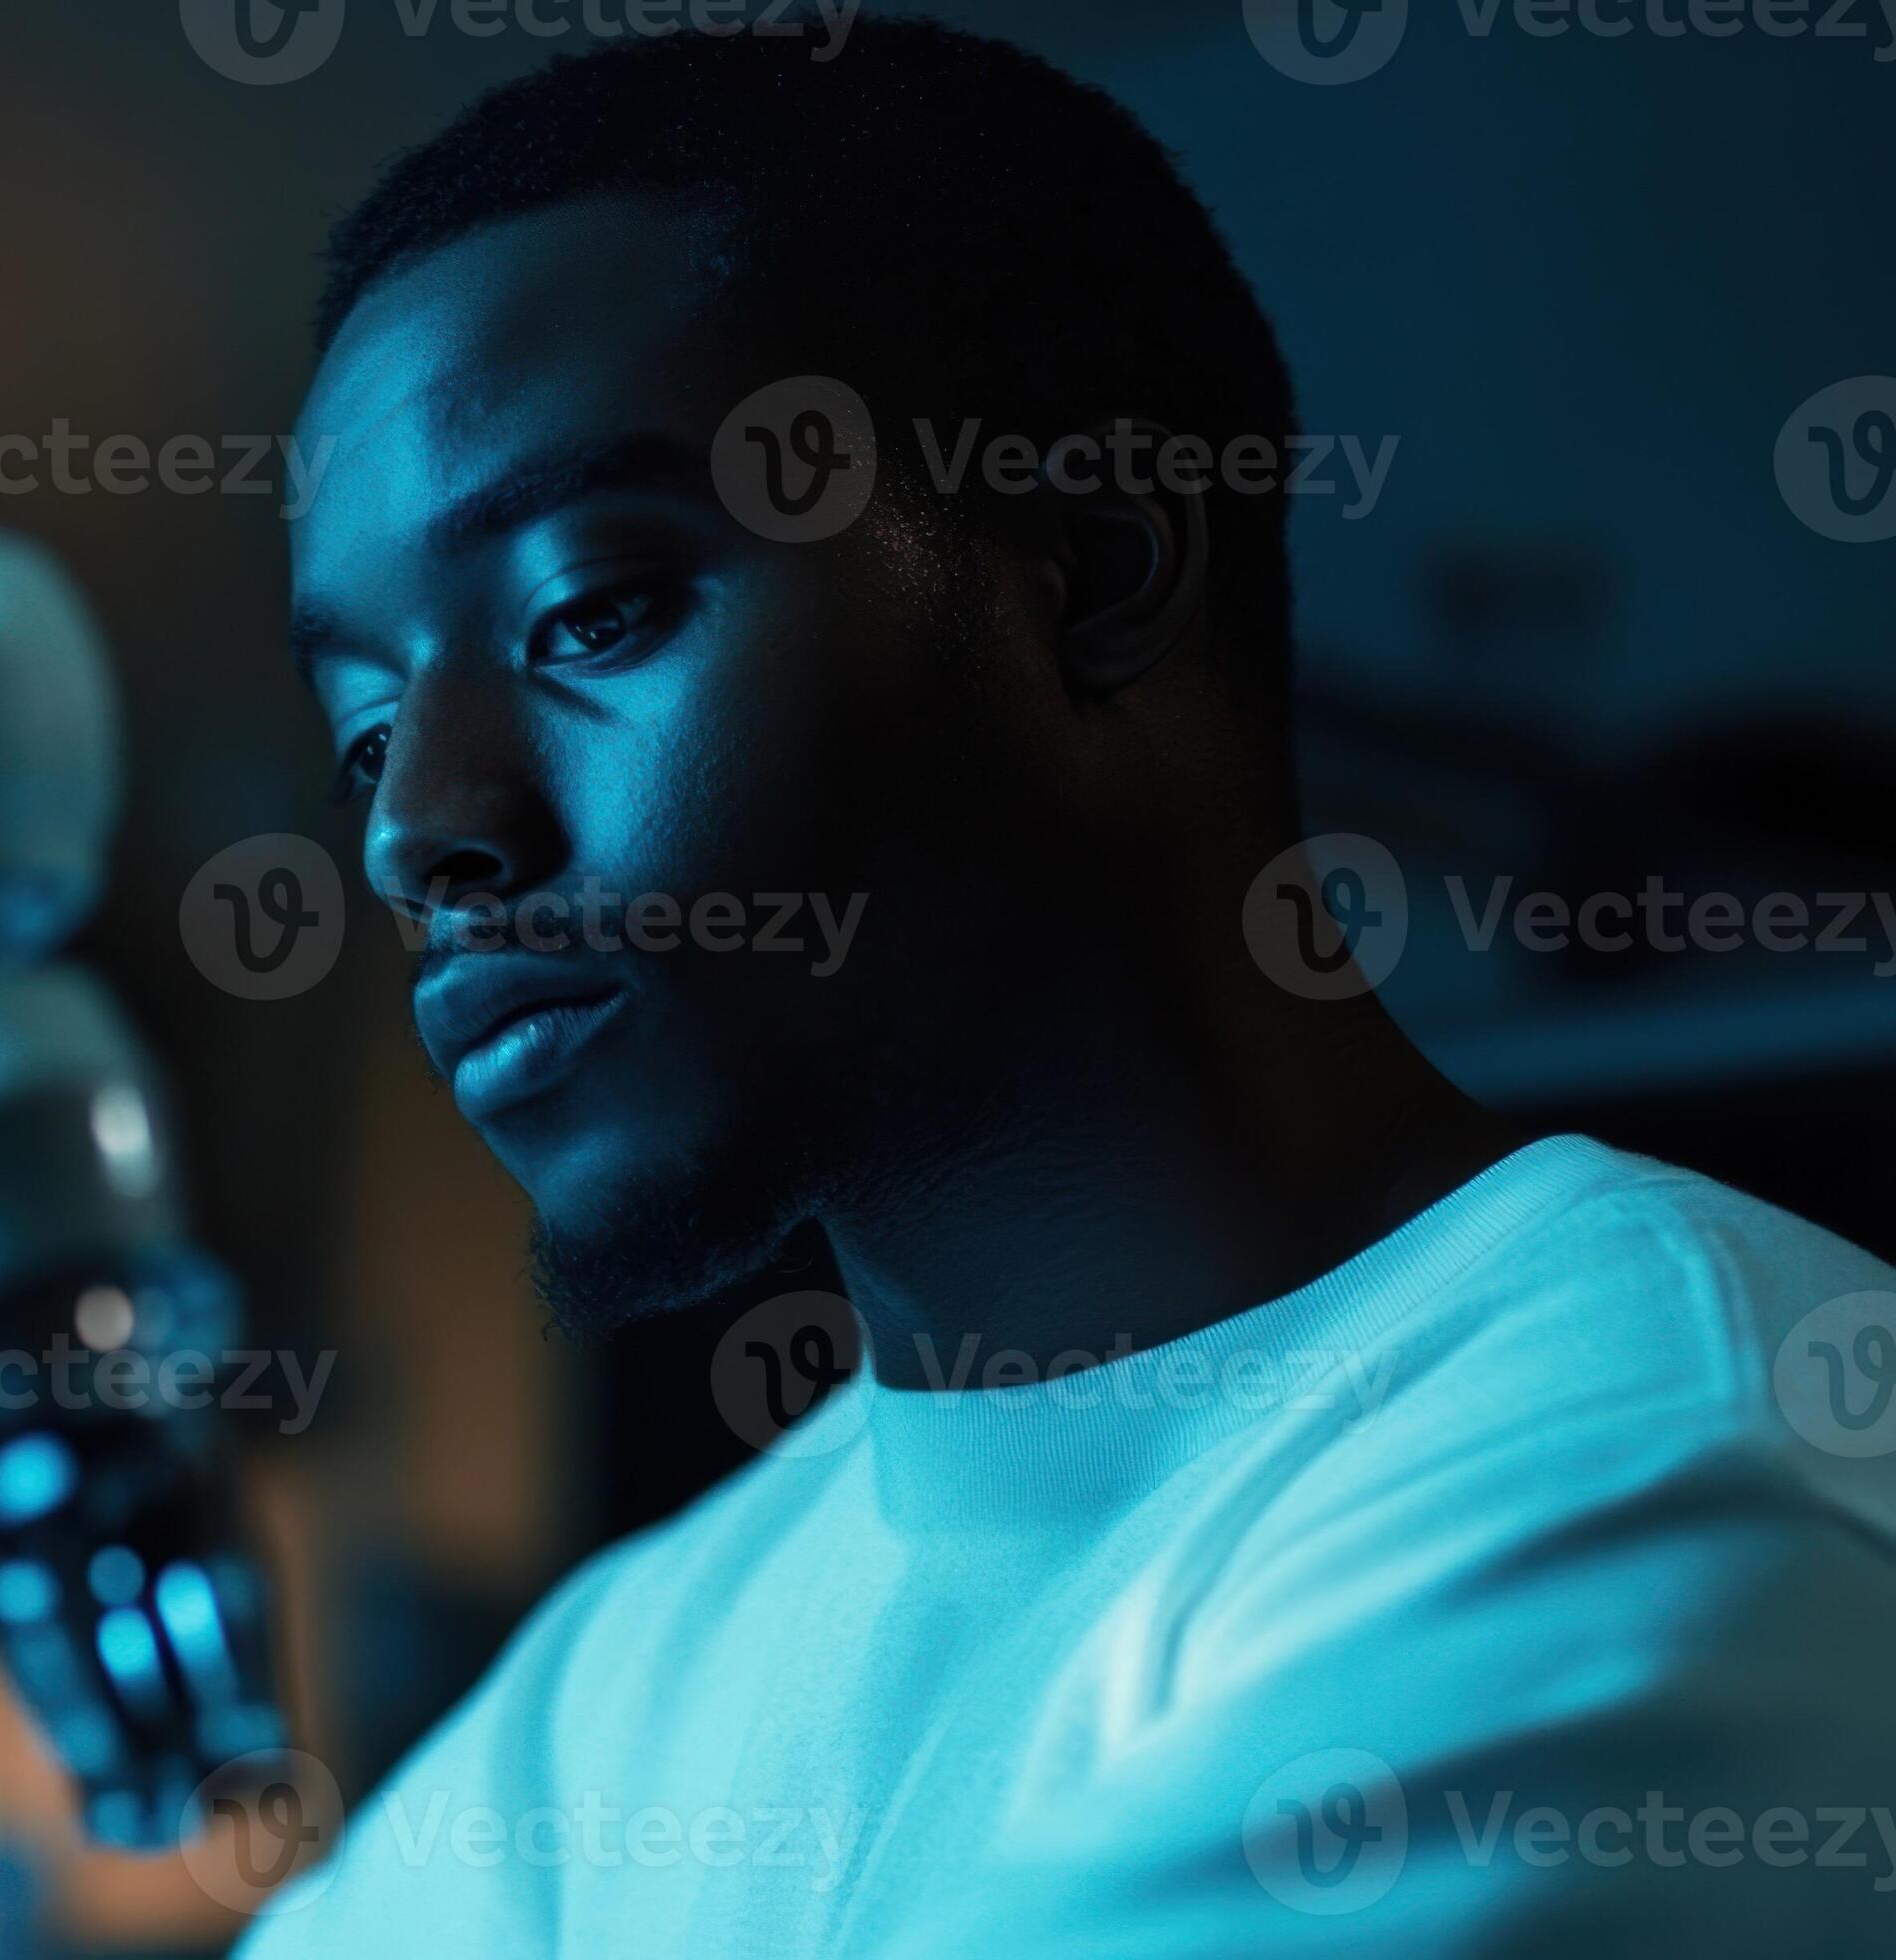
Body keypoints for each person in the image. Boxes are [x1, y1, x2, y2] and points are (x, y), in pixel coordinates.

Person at [249, 18, 1896, 1954]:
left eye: (589, 610)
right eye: (365, 732)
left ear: (1094, 571)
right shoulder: (616, 1683)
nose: (420, 828)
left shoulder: (1668, 1458)